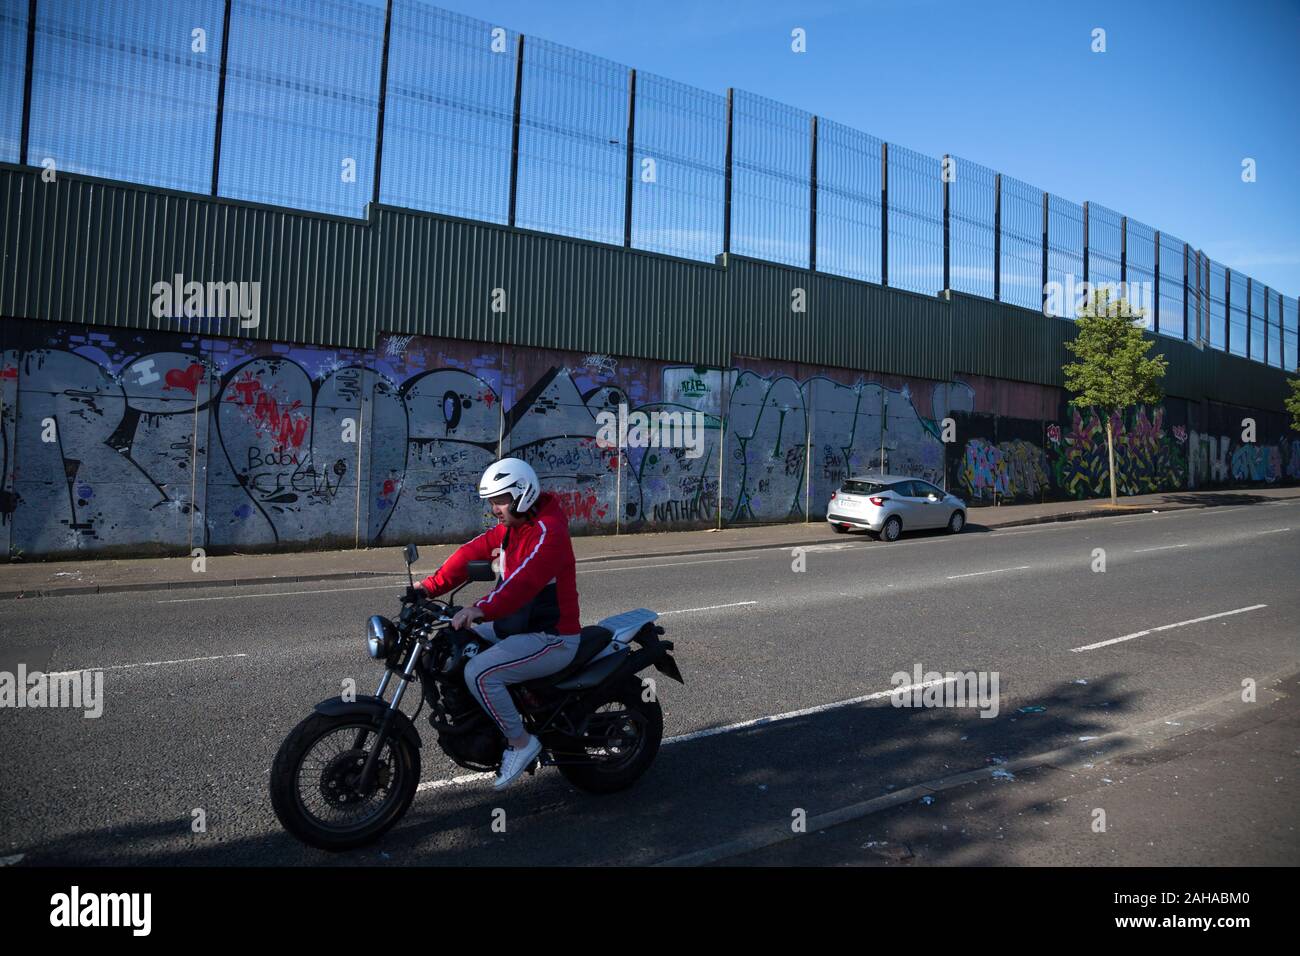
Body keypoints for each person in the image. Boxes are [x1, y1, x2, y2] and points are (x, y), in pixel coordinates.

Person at [411, 457, 582, 788]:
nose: (494, 509)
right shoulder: (511, 530)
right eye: (492, 501)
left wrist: (479, 609)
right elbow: (469, 555)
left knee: (482, 672)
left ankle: (521, 743)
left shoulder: (549, 533)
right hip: (516, 625)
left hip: (552, 636)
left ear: (523, 495)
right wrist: (428, 587)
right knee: (454, 641)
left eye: (500, 500)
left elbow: (522, 583)